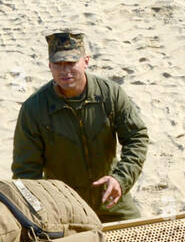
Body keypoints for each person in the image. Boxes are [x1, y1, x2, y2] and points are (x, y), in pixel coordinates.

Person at [11, 31, 149, 221]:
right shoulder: (34, 109)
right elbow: (25, 172)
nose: (64, 70)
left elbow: (136, 137)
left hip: (111, 197)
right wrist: (46, 208)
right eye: (58, 64)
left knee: (141, 239)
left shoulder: (110, 94)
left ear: (86, 61)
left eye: (71, 62)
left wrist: (120, 180)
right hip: (65, 207)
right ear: (49, 66)